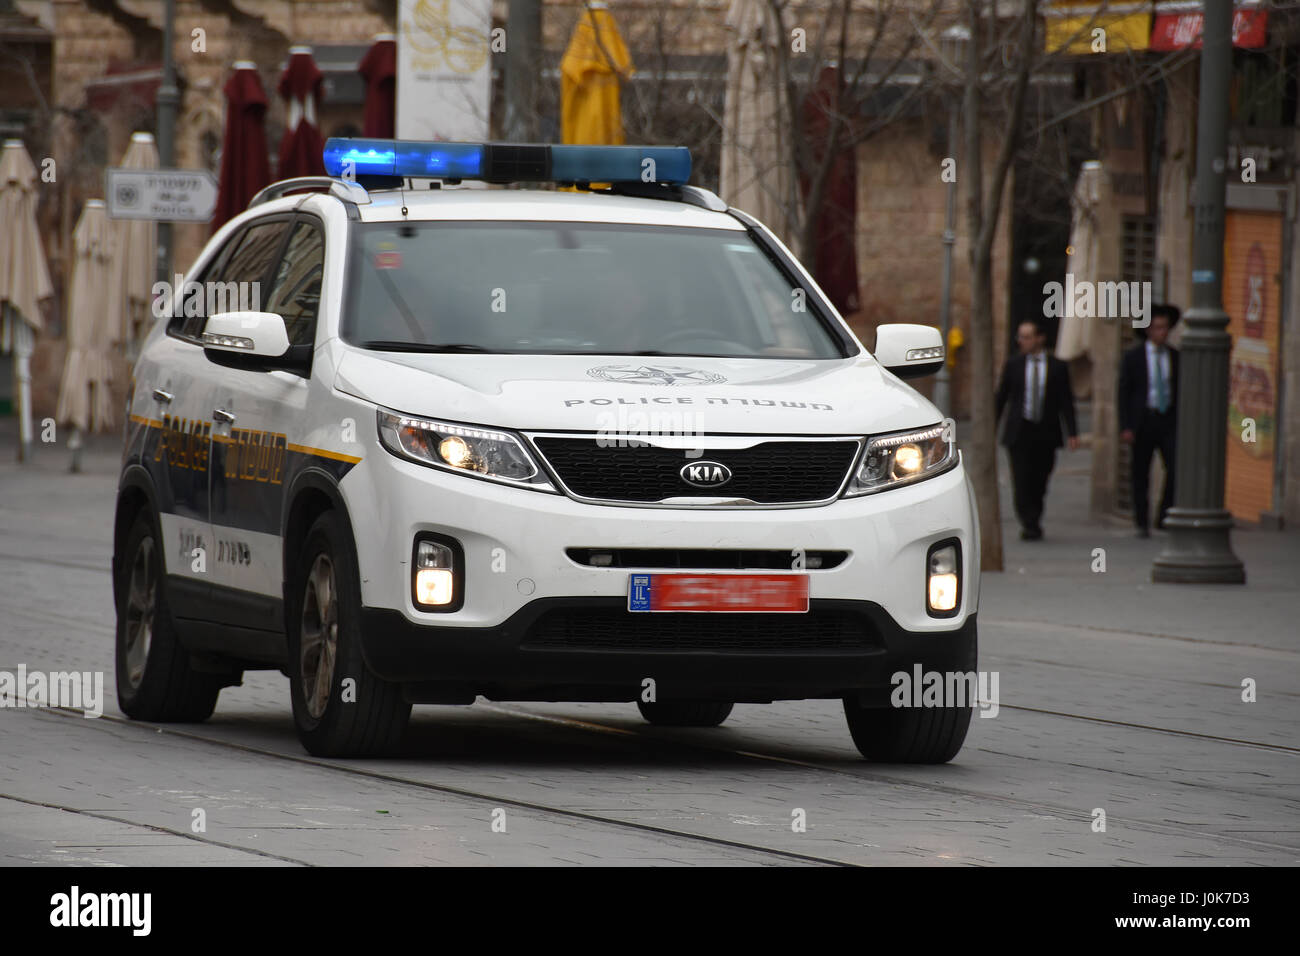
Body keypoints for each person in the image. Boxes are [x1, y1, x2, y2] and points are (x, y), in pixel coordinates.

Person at [995, 319, 1080, 540]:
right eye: (1020, 336)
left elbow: (1066, 401)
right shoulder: (1013, 365)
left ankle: (1035, 514)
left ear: (1040, 338)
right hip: (1019, 430)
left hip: (1046, 430)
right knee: (1021, 478)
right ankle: (1029, 522)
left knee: (1041, 478)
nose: (1021, 341)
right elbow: (1001, 398)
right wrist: (992, 428)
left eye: (1027, 336)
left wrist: (1072, 432)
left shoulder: (1058, 367)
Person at [1119, 304, 1180, 538]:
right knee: (1140, 472)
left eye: (1165, 328)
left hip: (1167, 420)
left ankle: (1163, 515)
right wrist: (1126, 426)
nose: (1161, 332)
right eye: (1156, 328)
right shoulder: (1133, 357)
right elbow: (1124, 392)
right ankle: (1141, 521)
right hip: (1143, 420)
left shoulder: (1175, 356)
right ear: (1147, 330)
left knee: (1175, 467)